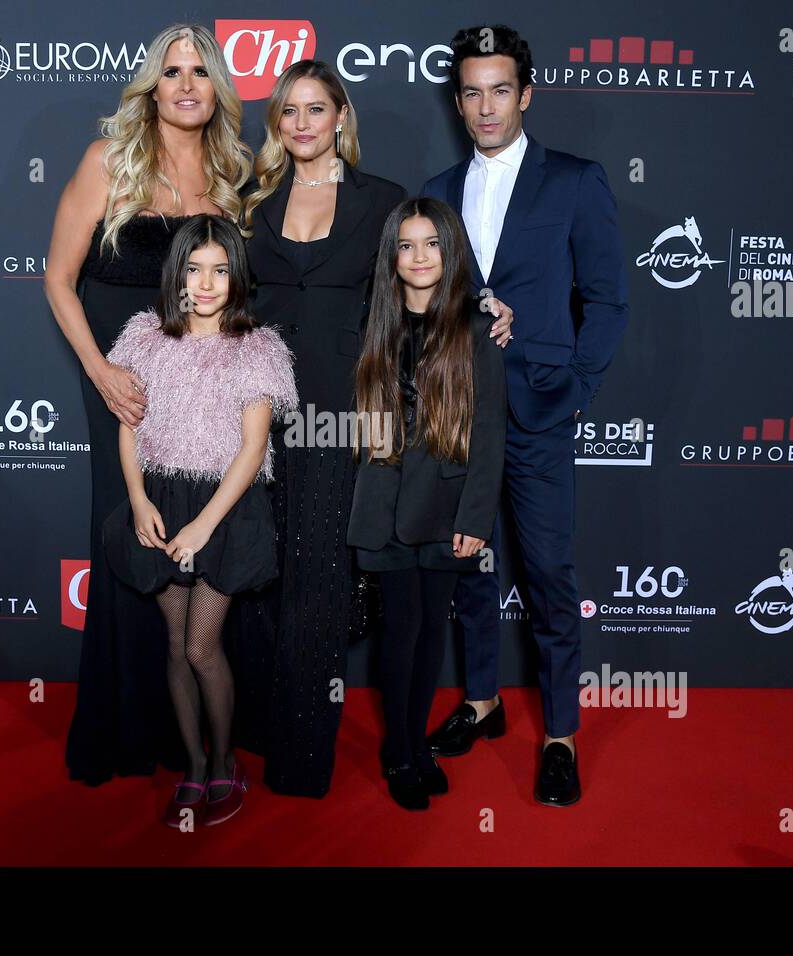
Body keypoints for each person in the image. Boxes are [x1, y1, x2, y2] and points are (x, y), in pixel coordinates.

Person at [231, 60, 514, 798]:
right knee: (258, 575)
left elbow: (425, 277)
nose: (302, 123)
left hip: (340, 418)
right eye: (289, 110)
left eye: (316, 108)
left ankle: (302, 756)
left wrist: (486, 307)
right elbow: (224, 295)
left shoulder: (381, 200)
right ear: (276, 123)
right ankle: (252, 729)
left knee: (318, 586)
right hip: (256, 411)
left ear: (340, 118)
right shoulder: (252, 201)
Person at [421, 25, 630, 806]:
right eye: (472, 92)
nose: (486, 107)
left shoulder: (574, 181)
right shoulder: (438, 191)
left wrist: (573, 387)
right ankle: (481, 700)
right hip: (459, 418)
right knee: (470, 569)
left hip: (539, 413)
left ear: (526, 94)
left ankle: (561, 735)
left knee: (547, 576)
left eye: (500, 90)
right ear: (458, 102)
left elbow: (607, 299)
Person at [43, 23, 252, 786]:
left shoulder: (233, 173)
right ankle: (127, 729)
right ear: (151, 87)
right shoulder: (109, 161)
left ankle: (197, 731)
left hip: (203, 385)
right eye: (172, 72)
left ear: (218, 88)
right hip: (123, 386)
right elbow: (58, 278)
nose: (187, 85)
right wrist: (100, 372)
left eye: (200, 72)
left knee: (202, 533)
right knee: (130, 536)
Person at [103, 215, 297, 827]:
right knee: (174, 645)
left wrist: (205, 527)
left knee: (200, 645)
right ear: (176, 274)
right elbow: (129, 427)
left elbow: (253, 450)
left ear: (237, 277)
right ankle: (191, 764)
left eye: (220, 270)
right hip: (161, 502)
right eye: (194, 269)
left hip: (225, 510)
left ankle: (224, 760)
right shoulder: (144, 337)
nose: (206, 283)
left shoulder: (258, 348)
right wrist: (138, 500)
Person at [347, 198, 507, 810]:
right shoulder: (373, 323)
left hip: (445, 509)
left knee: (430, 632)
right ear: (392, 255)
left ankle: (415, 745)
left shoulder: (477, 328)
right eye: (407, 245)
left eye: (431, 244)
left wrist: (475, 517)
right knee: (401, 630)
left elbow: (489, 432)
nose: (419, 257)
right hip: (383, 506)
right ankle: (400, 749)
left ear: (450, 250)